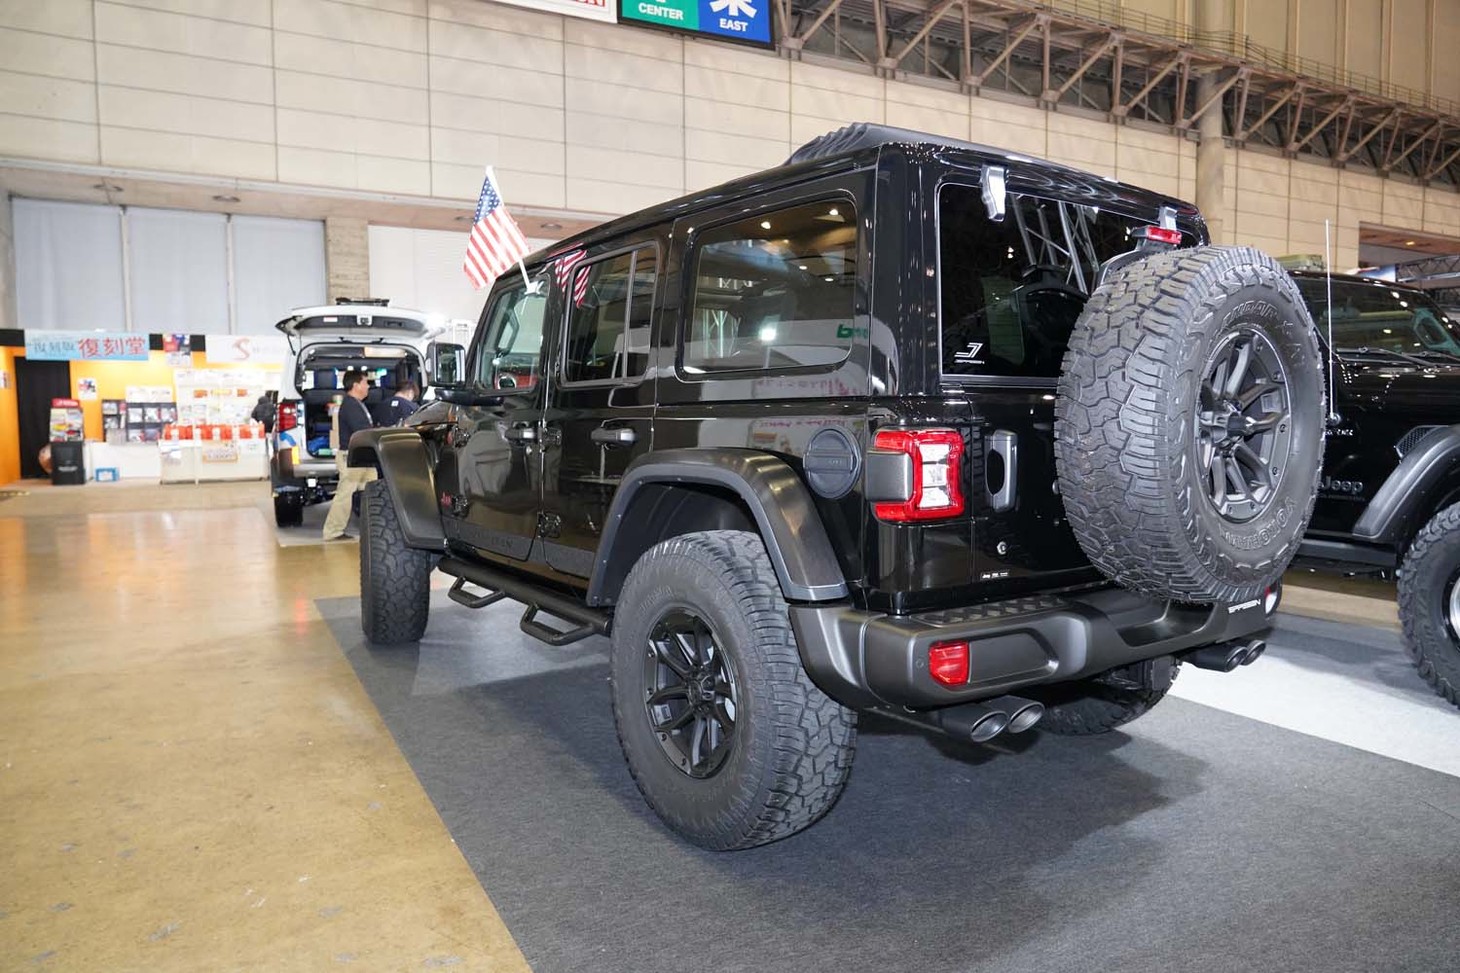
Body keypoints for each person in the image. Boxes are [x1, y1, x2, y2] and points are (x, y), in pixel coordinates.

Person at [321, 370, 376, 542]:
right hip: (352, 458)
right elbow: (362, 430)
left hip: (363, 457)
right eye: (365, 382)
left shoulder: (357, 404)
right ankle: (333, 531)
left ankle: (375, 527)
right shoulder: (351, 405)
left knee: (373, 491)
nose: (368, 386)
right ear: (356, 385)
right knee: (345, 494)